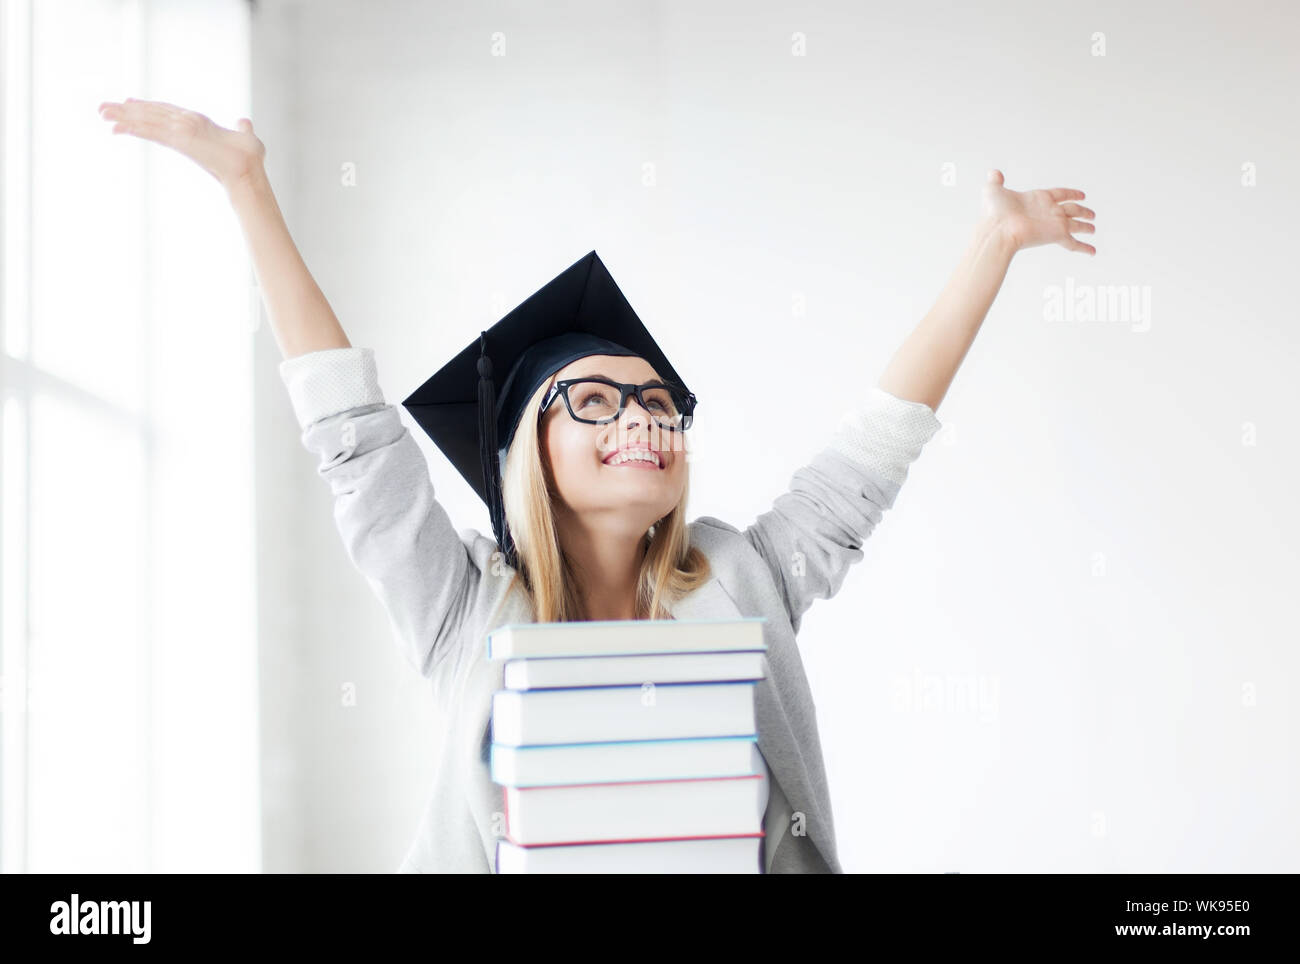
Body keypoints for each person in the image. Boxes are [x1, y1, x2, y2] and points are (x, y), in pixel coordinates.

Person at [97, 98, 1097, 873]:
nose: (641, 416)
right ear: (527, 449)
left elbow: (869, 455)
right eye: (596, 401)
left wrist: (992, 245)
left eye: (657, 400)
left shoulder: (741, 583)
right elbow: (354, 441)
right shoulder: (465, 609)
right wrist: (247, 189)